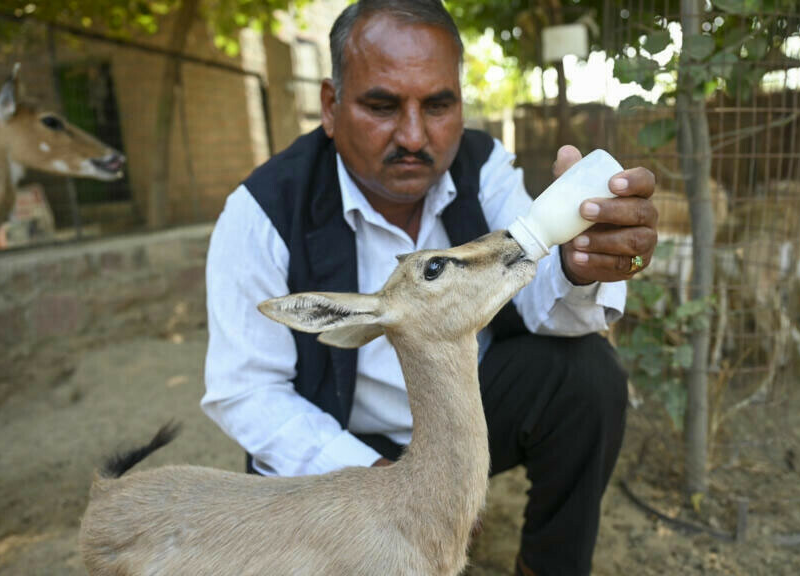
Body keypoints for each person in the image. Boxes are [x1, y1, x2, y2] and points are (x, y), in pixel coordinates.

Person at [202, 1, 658, 574]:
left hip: (461, 420)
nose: (414, 135)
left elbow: (545, 301)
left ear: (461, 104)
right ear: (330, 105)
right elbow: (244, 391)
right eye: (382, 105)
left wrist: (579, 263)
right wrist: (375, 483)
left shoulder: (482, 164)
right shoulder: (262, 211)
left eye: (439, 105)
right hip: (341, 440)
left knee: (588, 377)